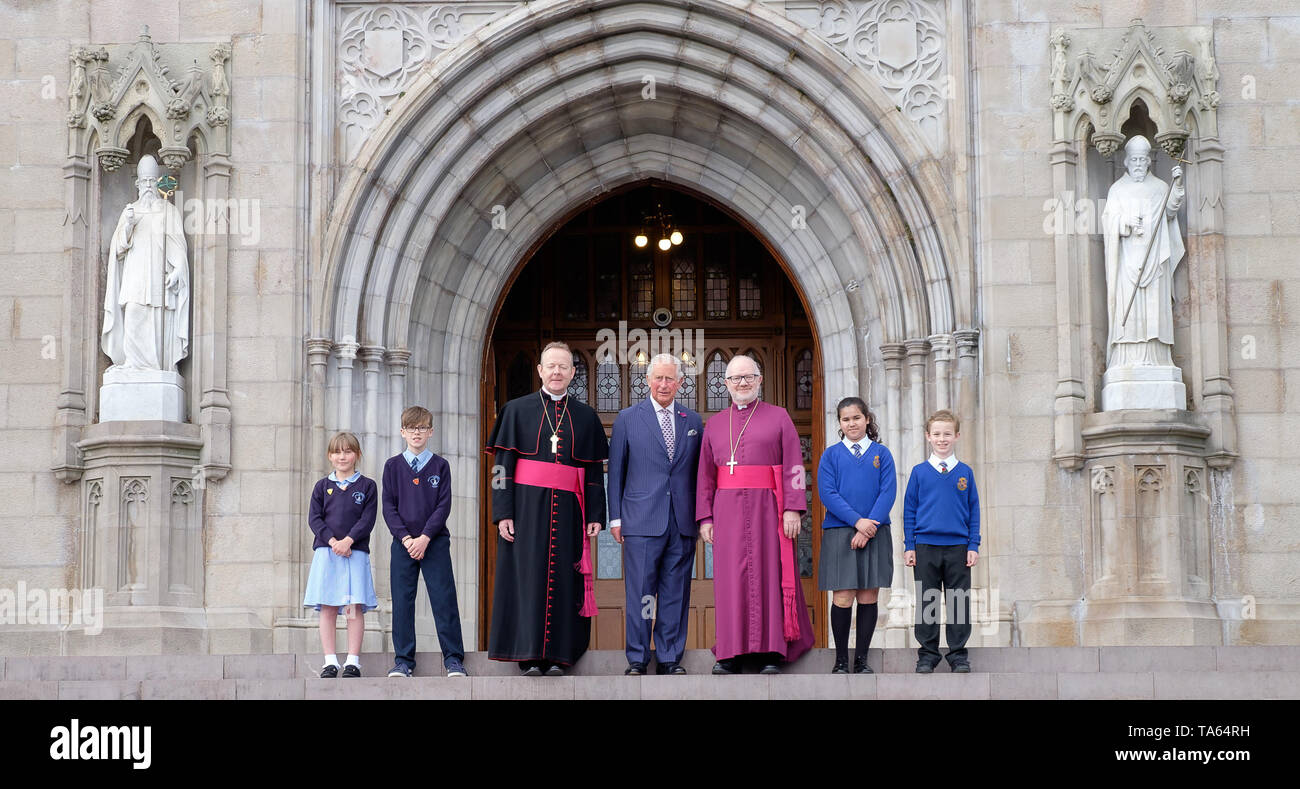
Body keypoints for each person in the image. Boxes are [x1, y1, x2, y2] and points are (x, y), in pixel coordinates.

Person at [486, 341, 608, 675]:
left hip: (570, 514)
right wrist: (503, 512)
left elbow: (594, 471)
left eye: (563, 367)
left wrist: (596, 514)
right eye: (550, 366)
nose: (556, 372)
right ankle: (528, 655)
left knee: (565, 581)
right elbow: (501, 469)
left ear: (572, 372)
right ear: (540, 370)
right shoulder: (516, 410)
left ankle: (559, 656)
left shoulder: (585, 415)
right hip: (525, 511)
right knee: (527, 578)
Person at [696, 354, 814, 674]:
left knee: (768, 576)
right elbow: (705, 475)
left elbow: (794, 466)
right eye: (735, 378)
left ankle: (770, 652)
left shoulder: (779, 417)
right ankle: (730, 653)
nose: (742, 383)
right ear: (725, 385)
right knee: (730, 581)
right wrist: (705, 518)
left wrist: (793, 507)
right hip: (727, 512)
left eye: (748, 377)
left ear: (760, 380)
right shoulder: (716, 424)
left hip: (769, 510)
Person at [608, 353, 703, 676]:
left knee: (675, 593)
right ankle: (637, 657)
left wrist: (702, 516)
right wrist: (615, 517)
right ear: (647, 380)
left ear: (680, 382)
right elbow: (616, 471)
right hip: (640, 521)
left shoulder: (693, 421)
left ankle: (669, 657)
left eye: (670, 379)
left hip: (682, 520)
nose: (664, 384)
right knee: (641, 593)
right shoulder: (627, 419)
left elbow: (699, 475)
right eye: (658, 378)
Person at [382, 406, 468, 678]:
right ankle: (404, 661)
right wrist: (407, 538)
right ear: (402, 432)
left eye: (421, 428)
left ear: (430, 432)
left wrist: (425, 538)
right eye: (411, 428)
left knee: (444, 599)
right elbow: (388, 507)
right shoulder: (393, 466)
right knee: (403, 602)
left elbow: (443, 506)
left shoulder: (440, 466)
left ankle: (453, 659)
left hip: (434, 542)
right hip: (403, 544)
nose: (416, 433)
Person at [817, 397, 895, 674]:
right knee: (843, 595)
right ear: (839, 423)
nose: (851, 423)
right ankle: (840, 661)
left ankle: (861, 660)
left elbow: (888, 492)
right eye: (845, 419)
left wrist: (869, 525)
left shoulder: (882, 454)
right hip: (841, 532)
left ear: (867, 419)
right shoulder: (831, 455)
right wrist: (858, 522)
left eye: (856, 418)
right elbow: (828, 493)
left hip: (875, 532)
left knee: (868, 595)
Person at [903, 409, 980, 674]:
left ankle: (958, 655)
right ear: (928, 437)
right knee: (928, 601)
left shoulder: (965, 473)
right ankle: (928, 655)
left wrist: (973, 545)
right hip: (925, 546)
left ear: (957, 436)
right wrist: (909, 546)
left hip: (958, 547)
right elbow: (909, 511)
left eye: (947, 434)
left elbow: (974, 512)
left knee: (958, 601)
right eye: (936, 434)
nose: (942, 439)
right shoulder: (919, 473)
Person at [1101, 134, 1185, 369]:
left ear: (1149, 161)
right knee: (1127, 307)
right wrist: (1124, 224)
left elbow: (1170, 212)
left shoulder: (1160, 187)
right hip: (1127, 260)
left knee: (1154, 308)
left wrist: (1177, 186)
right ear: (1126, 162)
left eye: (1142, 160)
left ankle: (1158, 357)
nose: (1138, 164)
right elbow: (1108, 221)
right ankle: (1126, 358)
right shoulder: (1117, 190)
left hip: (1155, 258)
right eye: (1134, 160)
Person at [101, 154, 190, 372]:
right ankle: (132, 363)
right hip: (135, 276)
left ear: (158, 183)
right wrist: (129, 226)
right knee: (133, 313)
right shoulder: (129, 211)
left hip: (159, 277)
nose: (148, 186)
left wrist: (179, 269)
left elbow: (178, 244)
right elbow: (118, 249)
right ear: (137, 184)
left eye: (152, 181)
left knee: (157, 320)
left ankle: (160, 366)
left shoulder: (168, 210)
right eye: (145, 182)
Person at [303, 432, 379, 678]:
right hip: (327, 552)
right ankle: (330, 661)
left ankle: (353, 661)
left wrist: (348, 541)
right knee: (327, 606)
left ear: (357, 455)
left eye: (347, 451)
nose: (342, 456)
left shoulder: (367, 486)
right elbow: (314, 518)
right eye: (337, 452)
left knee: (352, 607)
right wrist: (333, 541)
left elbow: (367, 519)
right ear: (329, 456)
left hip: (354, 552)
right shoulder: (322, 487)